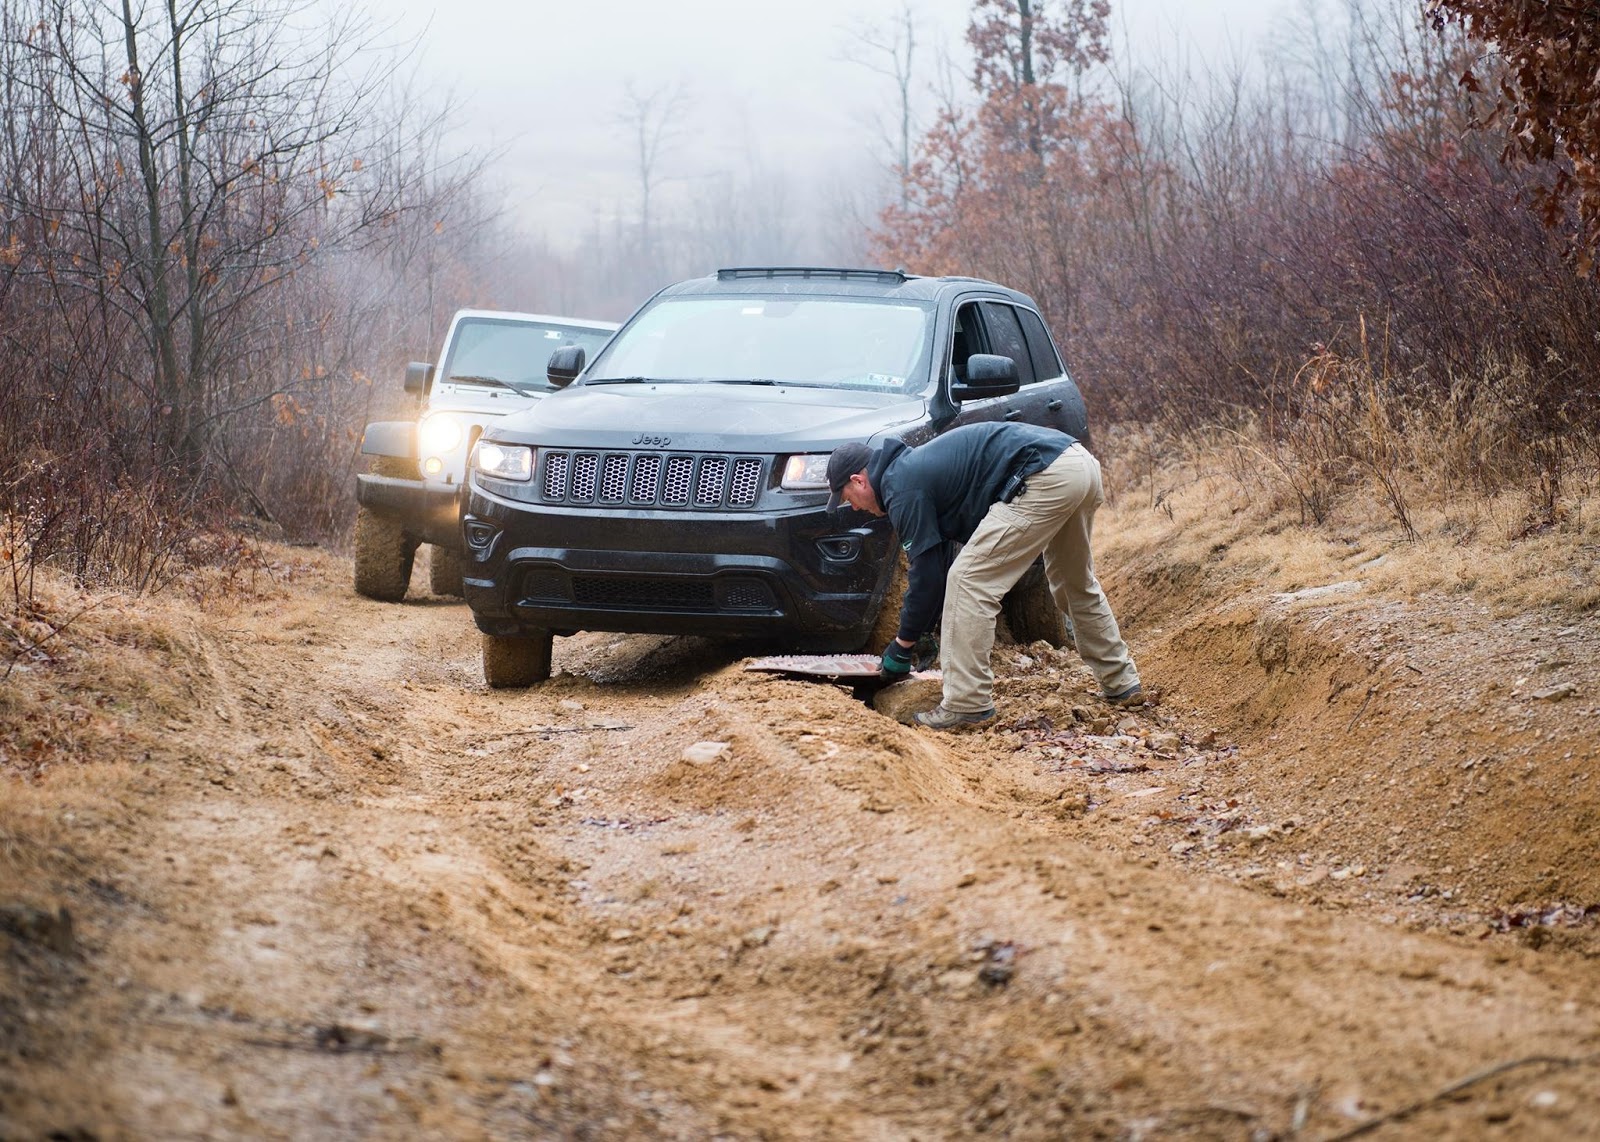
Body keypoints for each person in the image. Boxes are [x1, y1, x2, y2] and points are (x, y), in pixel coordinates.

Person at [826, 422, 1142, 730]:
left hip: (1043, 476)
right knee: (1073, 581)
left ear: (858, 481)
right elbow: (937, 564)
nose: (852, 508)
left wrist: (903, 643)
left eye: (846, 498)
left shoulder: (901, 486)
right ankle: (1121, 682)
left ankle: (967, 703)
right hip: (1077, 464)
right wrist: (921, 629)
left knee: (969, 582)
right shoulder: (911, 470)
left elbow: (927, 574)